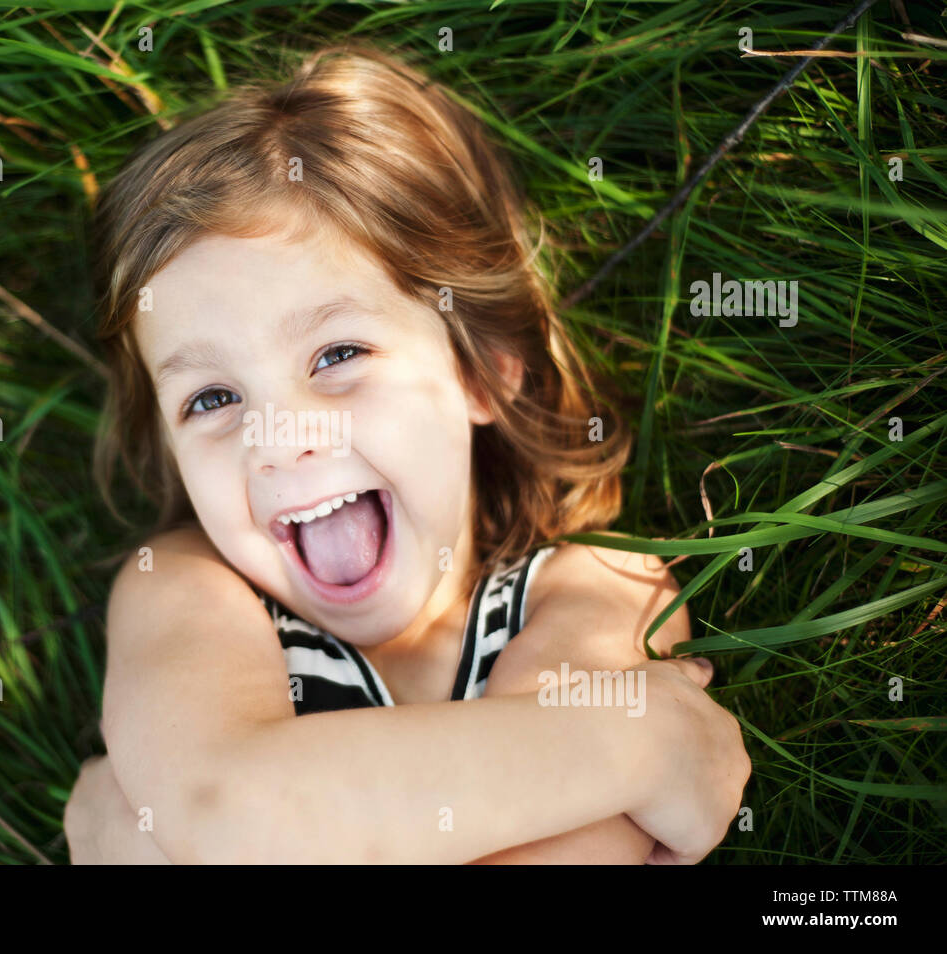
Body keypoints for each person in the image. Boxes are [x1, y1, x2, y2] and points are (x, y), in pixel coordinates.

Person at [64, 43, 750, 864]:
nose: (278, 436)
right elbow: (225, 804)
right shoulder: (184, 589)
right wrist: (637, 747)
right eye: (212, 400)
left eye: (336, 355)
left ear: (479, 370)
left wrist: (138, 840)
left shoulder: (598, 591)